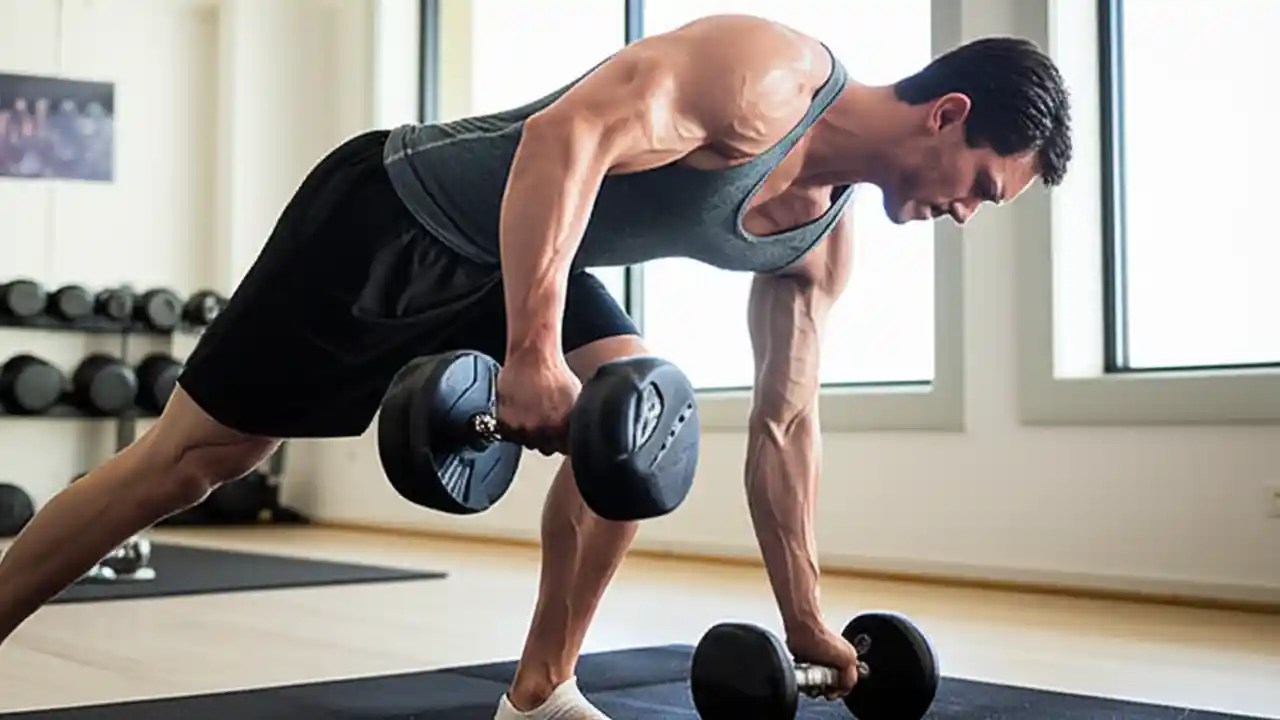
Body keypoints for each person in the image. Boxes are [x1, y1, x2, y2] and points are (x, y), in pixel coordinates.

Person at [0, 14, 1071, 720]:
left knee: (641, 426)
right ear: (946, 115)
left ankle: (539, 688)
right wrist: (525, 352)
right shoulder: (760, 77)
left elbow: (786, 430)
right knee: (190, 465)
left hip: (515, 261)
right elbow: (564, 141)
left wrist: (803, 614)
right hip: (397, 211)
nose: (965, 215)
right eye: (981, 185)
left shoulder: (820, 243)